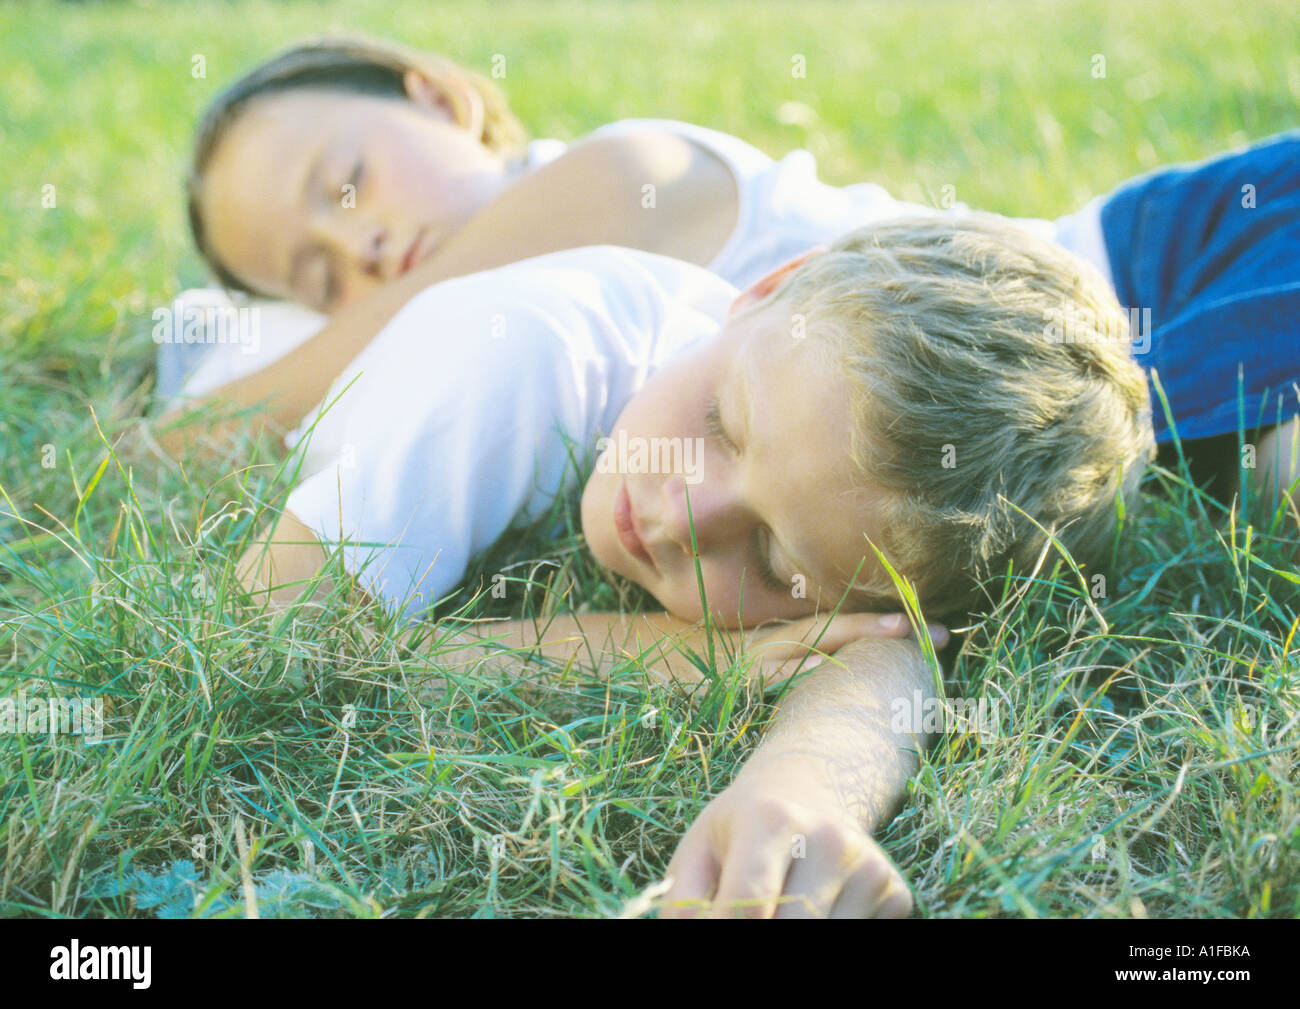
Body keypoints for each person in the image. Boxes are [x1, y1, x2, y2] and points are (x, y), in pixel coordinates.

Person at [160, 212, 1156, 916]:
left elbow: (883, 649)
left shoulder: (804, 410)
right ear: (763, 288)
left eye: (773, 555)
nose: (683, 516)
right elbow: (275, 641)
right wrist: (657, 650)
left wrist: (802, 797)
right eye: (723, 423)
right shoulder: (521, 356)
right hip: (234, 335)